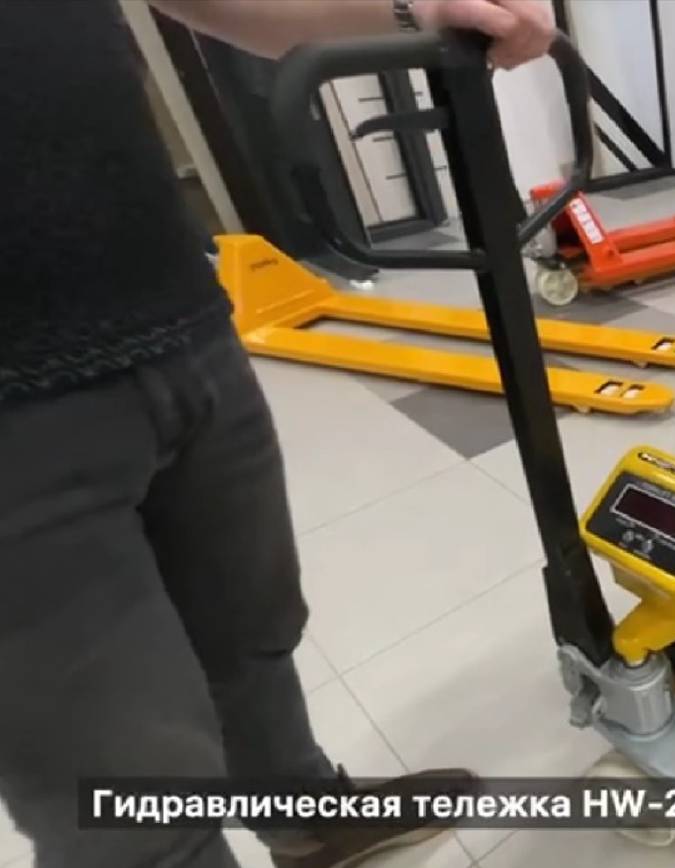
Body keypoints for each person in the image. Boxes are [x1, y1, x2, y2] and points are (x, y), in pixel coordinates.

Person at [0, 1, 554, 866]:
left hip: (179, 320)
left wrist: (415, 10)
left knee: (249, 634)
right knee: (119, 784)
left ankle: (303, 820)